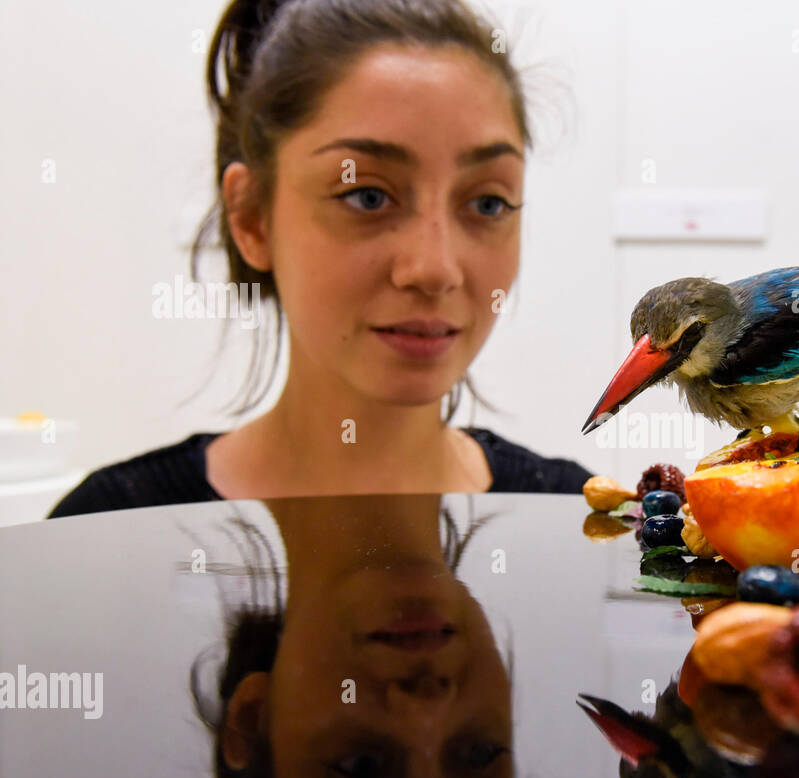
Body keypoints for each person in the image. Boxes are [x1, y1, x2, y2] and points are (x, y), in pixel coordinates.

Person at [48, 0, 592, 520]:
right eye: (368, 196)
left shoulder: (577, 522)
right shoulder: (112, 532)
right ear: (252, 217)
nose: (434, 268)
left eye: (487, 203)